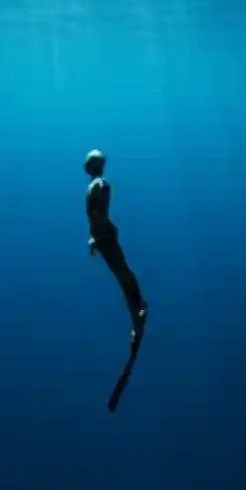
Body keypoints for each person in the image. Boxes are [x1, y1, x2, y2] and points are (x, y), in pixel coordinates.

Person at [84, 149, 148, 352]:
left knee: (121, 270)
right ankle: (135, 310)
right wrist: (95, 237)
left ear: (97, 164)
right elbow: (95, 214)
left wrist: (99, 233)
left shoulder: (99, 184)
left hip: (104, 234)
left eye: (91, 162)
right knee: (119, 271)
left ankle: (139, 305)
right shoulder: (95, 185)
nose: (88, 166)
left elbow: (99, 211)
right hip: (102, 236)